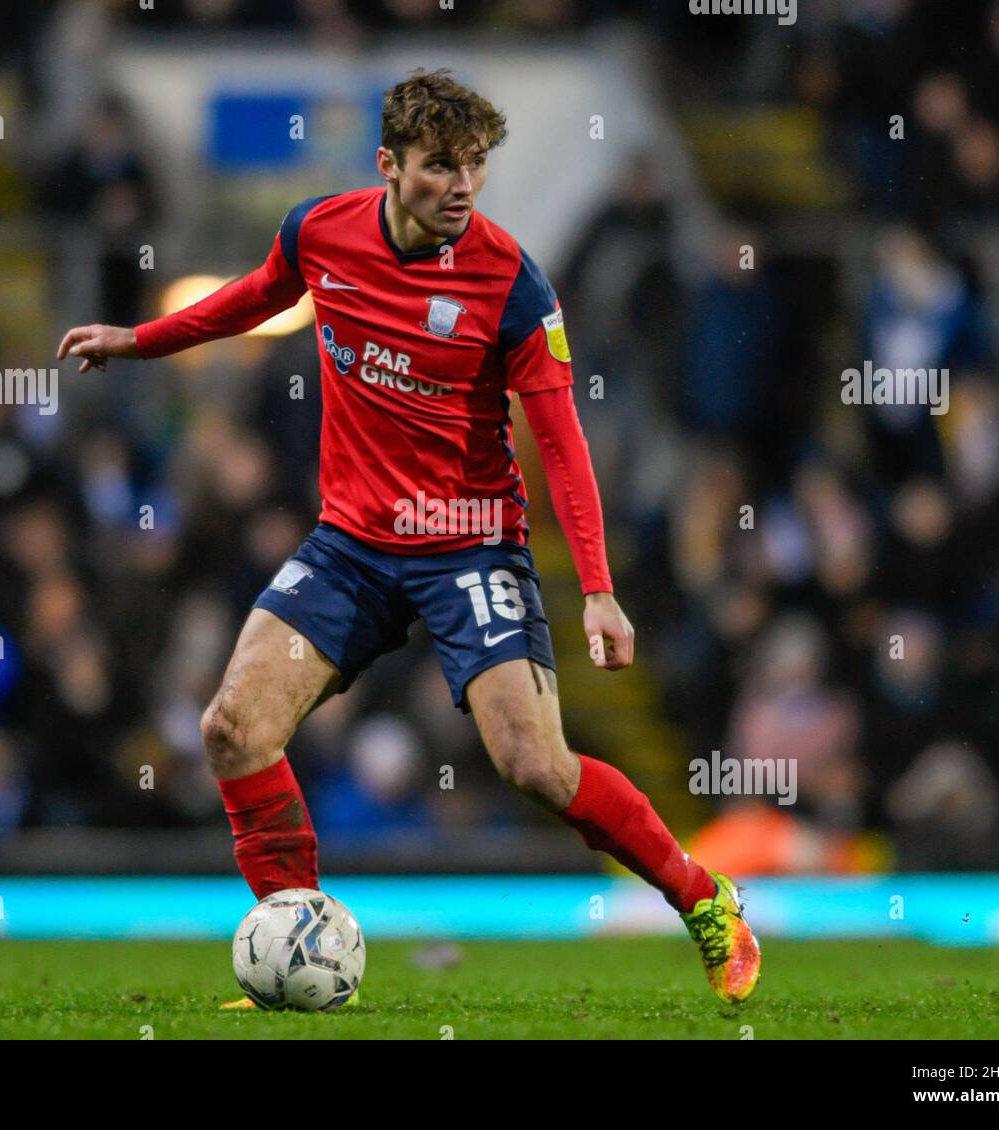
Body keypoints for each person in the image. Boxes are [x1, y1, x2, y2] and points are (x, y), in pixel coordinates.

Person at [56, 68, 760, 1006]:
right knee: (232, 729)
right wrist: (139, 340)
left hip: (471, 545)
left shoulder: (513, 283)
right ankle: (297, 942)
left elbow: (559, 437)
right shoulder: (319, 232)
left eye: (475, 166)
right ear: (388, 165)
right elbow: (254, 299)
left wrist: (597, 586)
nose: (462, 186)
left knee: (537, 769)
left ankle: (702, 895)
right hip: (350, 545)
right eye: (440, 167)